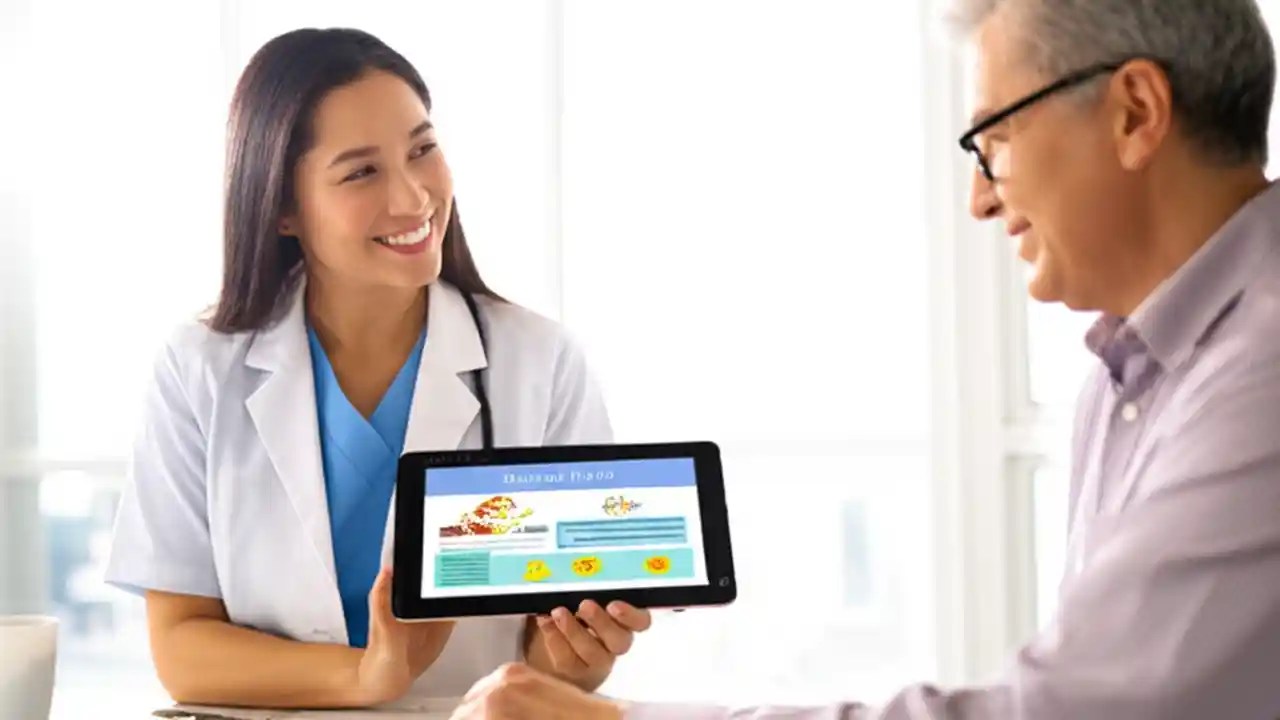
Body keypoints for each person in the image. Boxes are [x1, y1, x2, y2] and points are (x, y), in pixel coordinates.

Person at [450, 0, 1280, 718]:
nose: (982, 197)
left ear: (1135, 111)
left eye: (994, 138)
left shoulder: (1261, 368)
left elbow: (1066, 712)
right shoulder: (1127, 374)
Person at [104, 27, 652, 710]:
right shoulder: (200, 368)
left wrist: (573, 658)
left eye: (422, 149)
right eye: (361, 171)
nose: (413, 198)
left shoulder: (538, 362)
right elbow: (183, 646)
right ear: (280, 208)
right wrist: (363, 676)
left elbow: (550, 651)